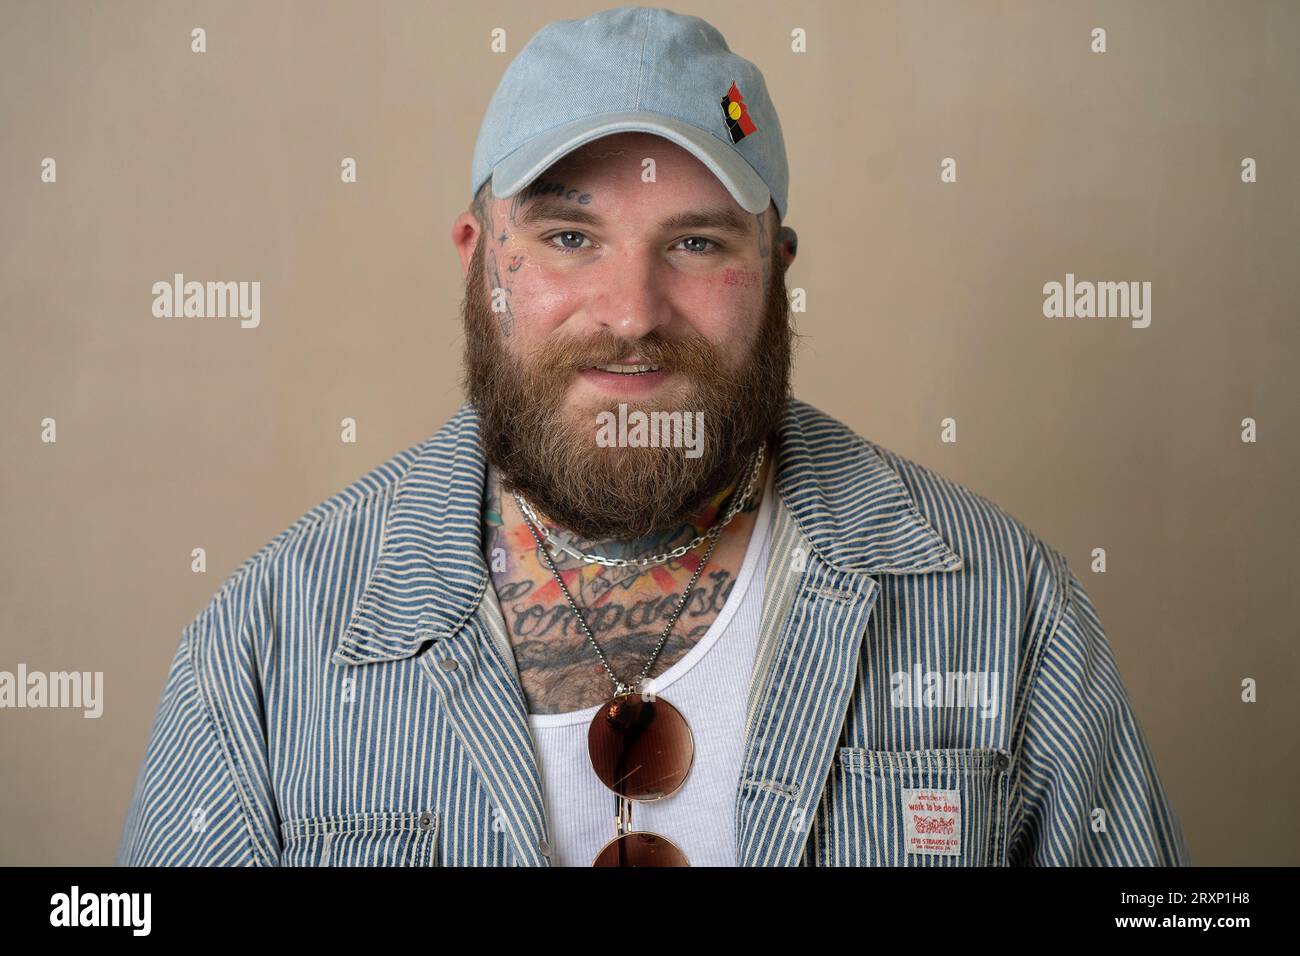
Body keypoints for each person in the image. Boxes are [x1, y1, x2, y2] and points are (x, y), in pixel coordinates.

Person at [117, 5, 1189, 867]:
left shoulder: (1007, 610)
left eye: (696, 240)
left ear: (775, 268)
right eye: (569, 234)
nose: (631, 310)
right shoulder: (260, 653)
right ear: (482, 259)